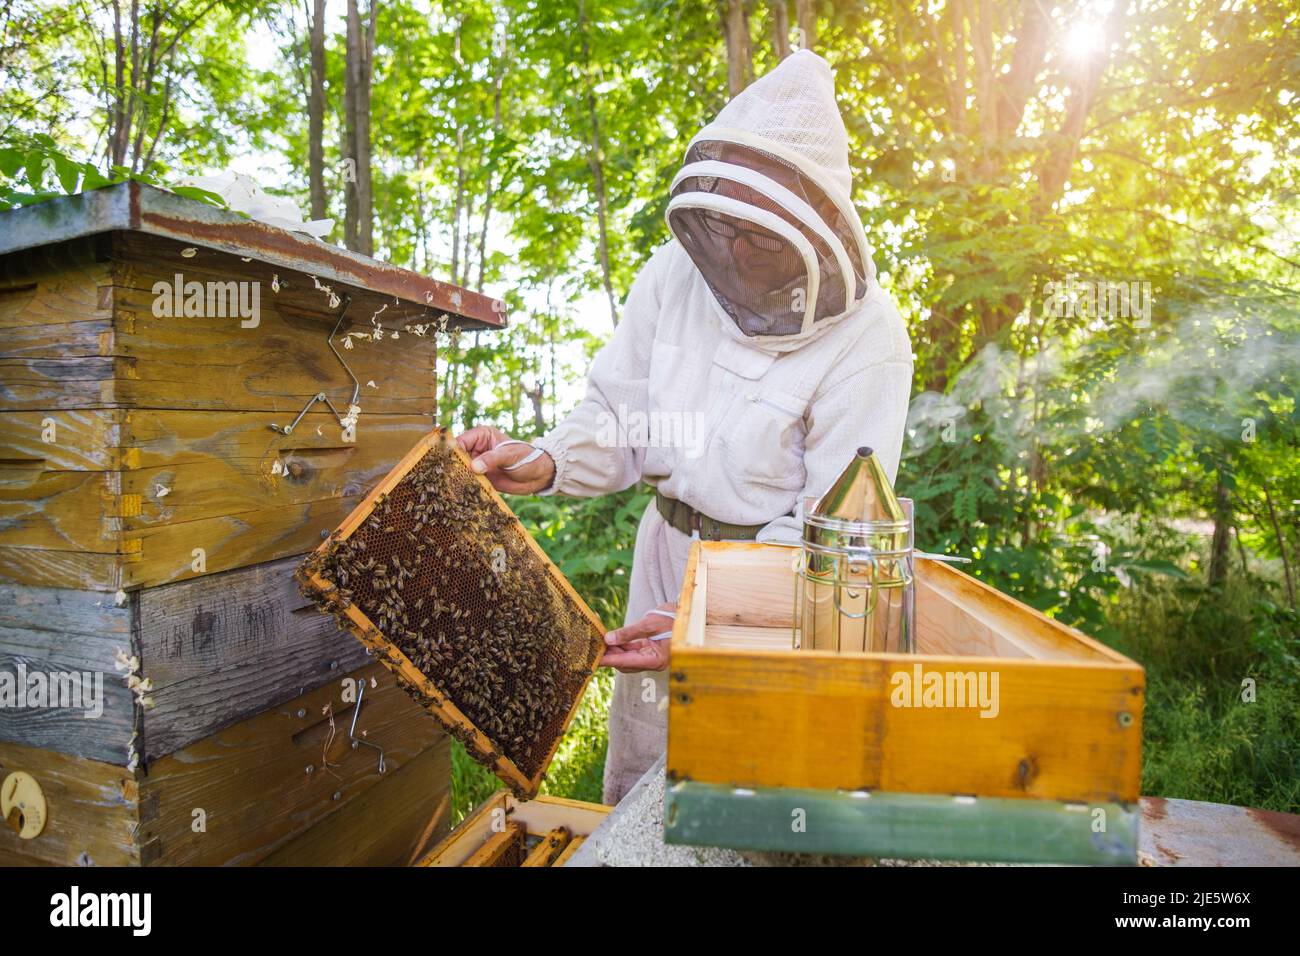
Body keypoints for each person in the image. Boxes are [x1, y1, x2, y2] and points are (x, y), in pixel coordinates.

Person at [457, 49, 912, 804]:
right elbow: (622, 414)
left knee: (751, 796)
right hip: (664, 555)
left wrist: (712, 613)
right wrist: (543, 460)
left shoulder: (870, 341)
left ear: (816, 223)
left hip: (777, 594)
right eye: (724, 226)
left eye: (756, 236)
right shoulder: (674, 275)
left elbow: (831, 533)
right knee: (646, 784)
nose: (733, 252)